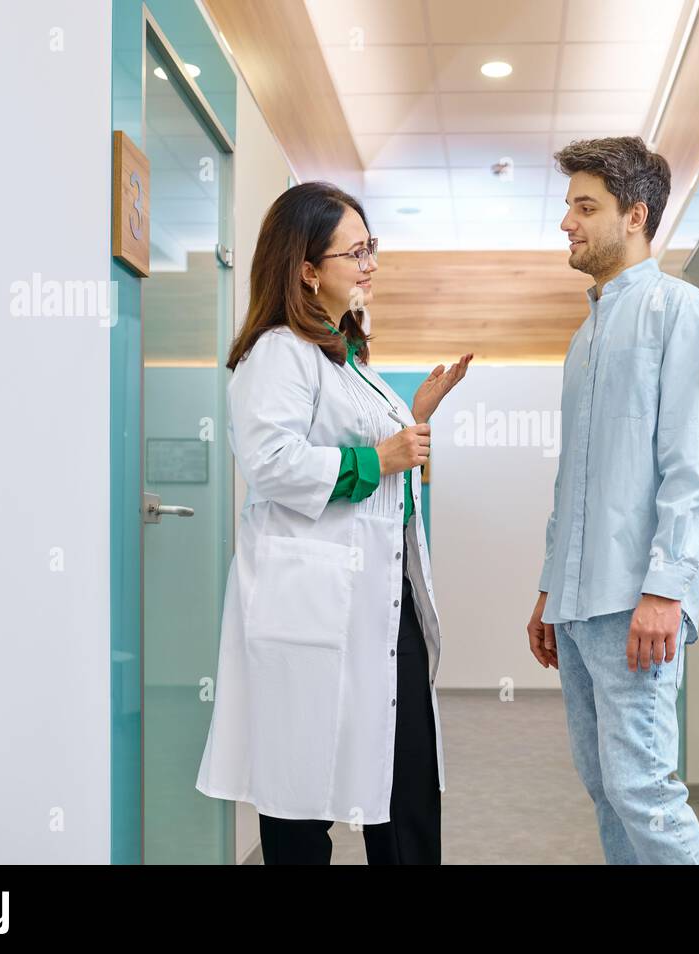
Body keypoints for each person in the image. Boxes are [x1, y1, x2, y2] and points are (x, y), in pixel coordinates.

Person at [196, 181, 471, 865]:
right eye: (356, 251)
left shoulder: (344, 360)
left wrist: (416, 413)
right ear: (308, 269)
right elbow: (273, 463)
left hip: (380, 597)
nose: (370, 263)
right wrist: (382, 455)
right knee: (299, 800)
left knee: (406, 783)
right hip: (312, 607)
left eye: (371, 248)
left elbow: (374, 456)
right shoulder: (276, 354)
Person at [527, 137, 699, 864]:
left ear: (635, 215)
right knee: (608, 791)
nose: (567, 224)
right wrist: (551, 588)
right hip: (580, 606)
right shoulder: (585, 338)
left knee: (644, 791)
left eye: (586, 207)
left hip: (635, 602)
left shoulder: (683, 314)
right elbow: (572, 483)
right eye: (568, 207)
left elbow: (692, 469)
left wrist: (666, 592)